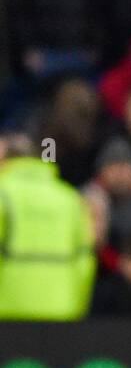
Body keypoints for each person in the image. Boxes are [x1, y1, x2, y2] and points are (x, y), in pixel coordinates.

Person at [0, 133, 95, 321]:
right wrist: (77, 305)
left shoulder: (3, 194)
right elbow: (85, 260)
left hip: (8, 308)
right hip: (62, 308)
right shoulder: (70, 198)